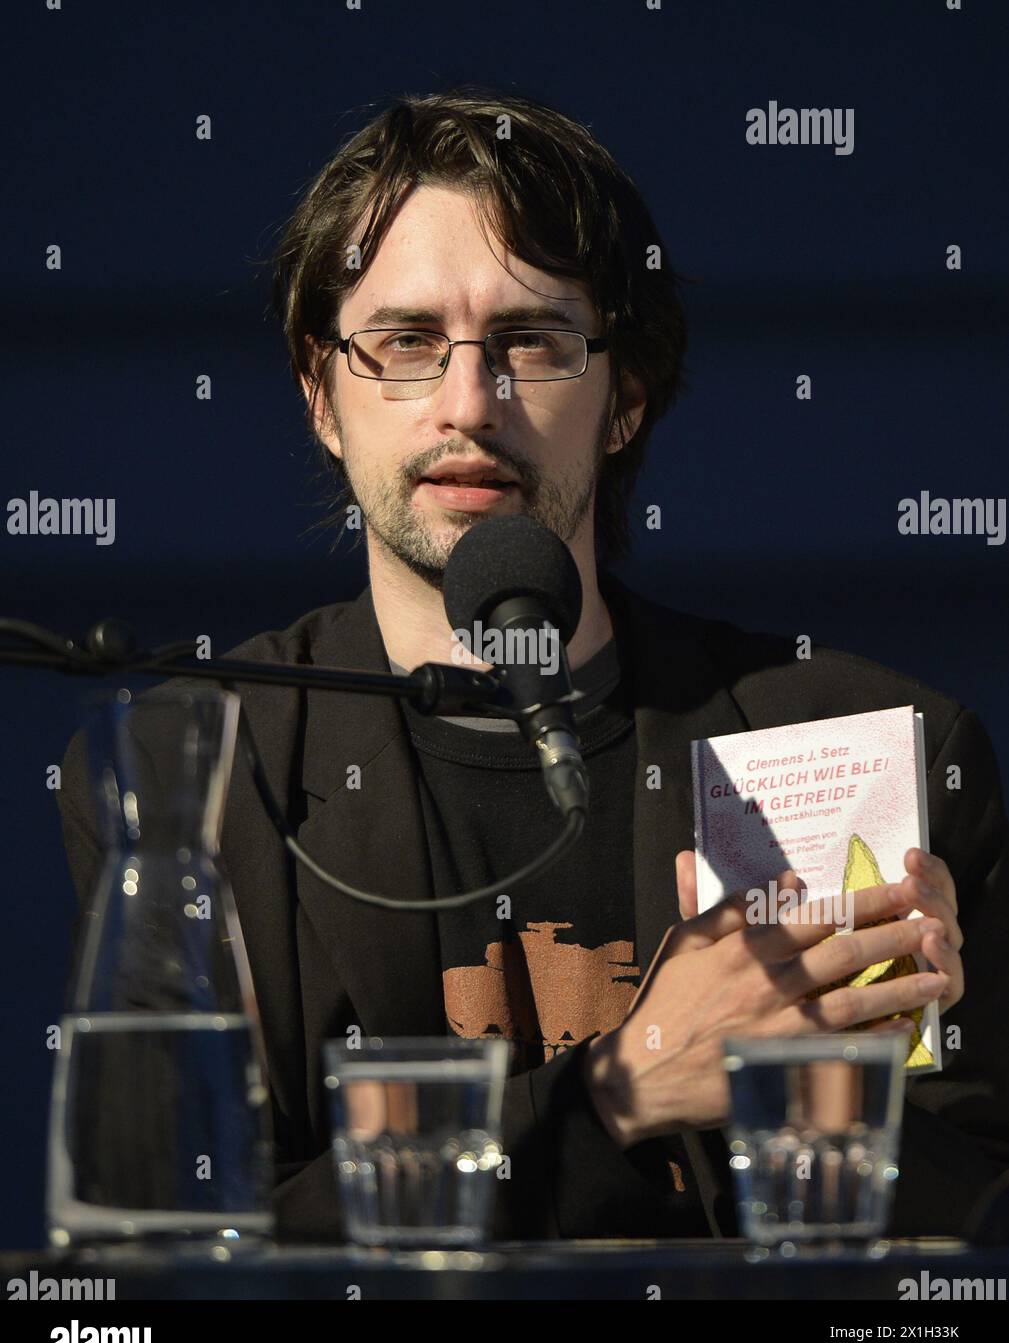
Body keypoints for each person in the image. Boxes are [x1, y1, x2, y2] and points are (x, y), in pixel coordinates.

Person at [57, 86, 1008, 1242]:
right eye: (406, 343)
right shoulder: (194, 769)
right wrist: (630, 1084)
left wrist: (853, 1084)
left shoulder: (871, 741)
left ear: (625, 399)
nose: (470, 403)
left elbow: (960, 1257)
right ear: (321, 392)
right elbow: (158, 1256)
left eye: (531, 342)